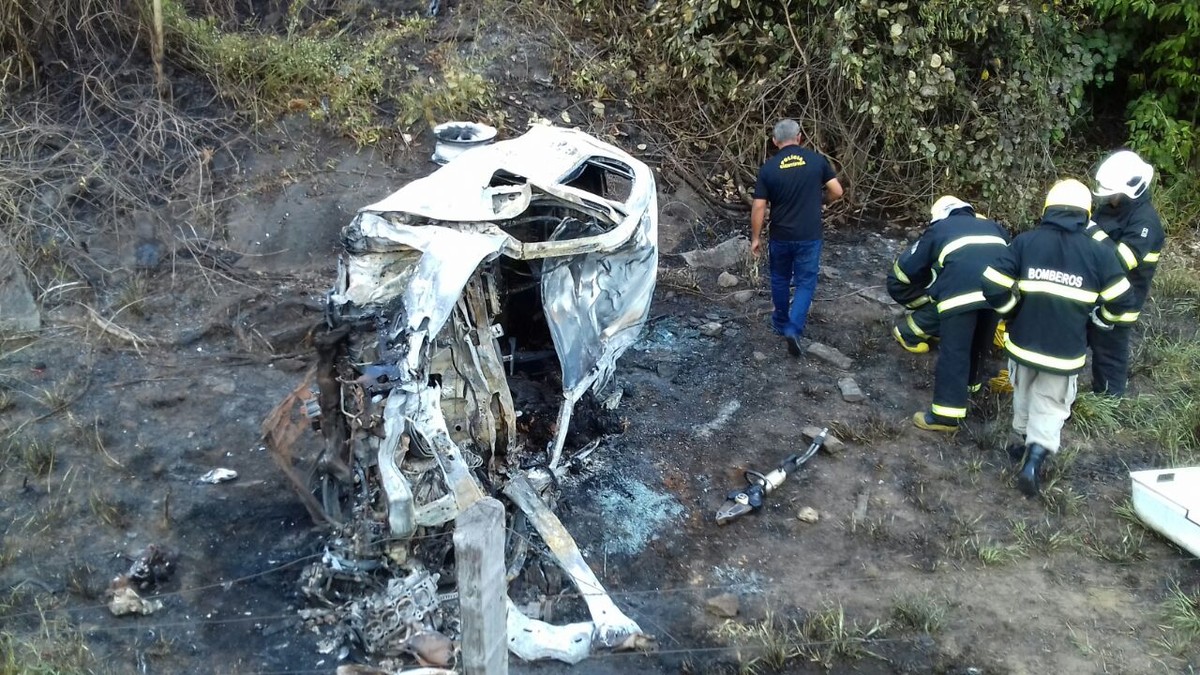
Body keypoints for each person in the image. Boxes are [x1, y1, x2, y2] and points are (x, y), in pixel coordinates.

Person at [981, 179, 1135, 496]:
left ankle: (1023, 443)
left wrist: (1011, 311)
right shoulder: (1100, 254)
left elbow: (992, 283)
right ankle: (1034, 458)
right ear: (1086, 213)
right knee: (1050, 403)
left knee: (1023, 392)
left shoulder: (1026, 242)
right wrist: (1101, 319)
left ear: (1048, 208)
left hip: (1022, 344)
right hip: (1064, 352)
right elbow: (1123, 301)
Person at [889, 196, 1009, 431]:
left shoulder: (941, 228)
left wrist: (927, 291)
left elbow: (909, 268)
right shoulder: (995, 227)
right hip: (997, 293)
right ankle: (971, 385)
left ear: (941, 216)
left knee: (955, 350)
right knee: (980, 342)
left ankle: (946, 415)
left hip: (960, 293)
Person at [750, 119, 844, 355]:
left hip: (781, 235)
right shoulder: (816, 161)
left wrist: (755, 237)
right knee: (805, 282)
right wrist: (822, 201)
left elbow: (759, 207)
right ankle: (793, 328)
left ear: (774, 141)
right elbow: (837, 191)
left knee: (780, 278)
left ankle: (781, 322)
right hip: (809, 235)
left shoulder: (769, 169)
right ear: (800, 137)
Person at [1085, 150, 1165, 396]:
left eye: (1113, 193)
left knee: (1109, 356)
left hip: (1120, 304)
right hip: (1094, 293)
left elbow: (1119, 261)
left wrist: (1092, 231)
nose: (1109, 197)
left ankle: (1109, 402)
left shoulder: (1145, 224)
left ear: (1133, 188)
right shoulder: (1111, 208)